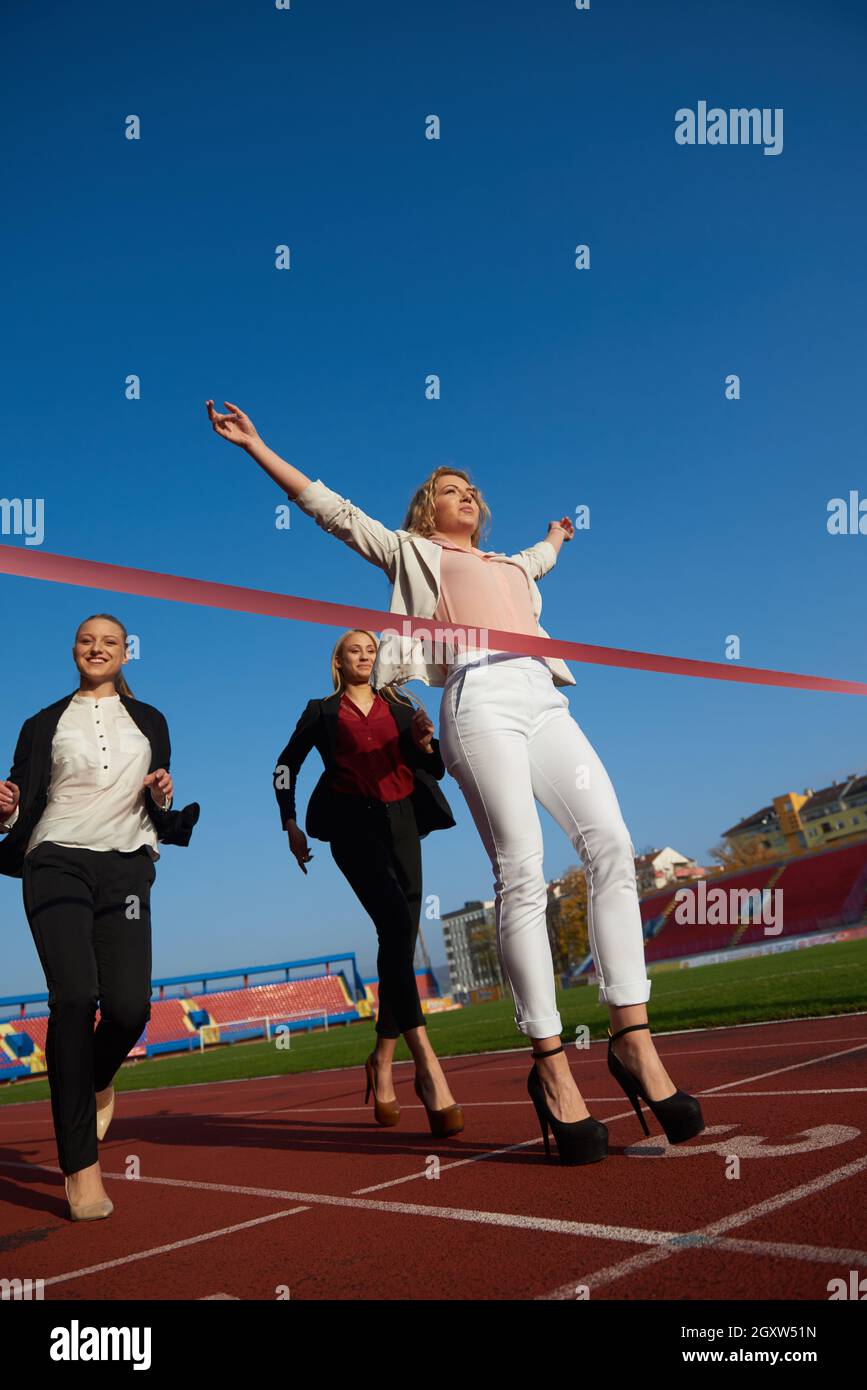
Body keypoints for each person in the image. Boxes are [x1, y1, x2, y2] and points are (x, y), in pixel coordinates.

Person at [207, 398, 705, 1167]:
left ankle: (631, 1041)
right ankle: (550, 1066)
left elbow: (539, 562)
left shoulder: (508, 565)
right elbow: (333, 513)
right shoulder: (412, 552)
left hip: (542, 695)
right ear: (424, 509)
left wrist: (554, 538)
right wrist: (257, 446)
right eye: (448, 488)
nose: (464, 494)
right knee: (523, 868)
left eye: (471, 488)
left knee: (611, 845)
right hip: (477, 699)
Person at [0, 614, 199, 1218]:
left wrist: (163, 796)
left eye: (110, 642)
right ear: (73, 651)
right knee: (74, 997)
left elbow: (157, 796)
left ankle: (98, 1076)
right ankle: (81, 1168)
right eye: (88, 641)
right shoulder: (41, 723)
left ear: (125, 654)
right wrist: (5, 808)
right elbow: (19, 796)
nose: (98, 648)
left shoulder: (151, 721)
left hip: (126, 868)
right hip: (55, 859)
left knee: (129, 1007)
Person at [273, 626, 463, 1137]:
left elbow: (435, 766)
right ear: (339, 662)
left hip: (404, 823)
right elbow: (284, 766)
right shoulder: (321, 711)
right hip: (351, 825)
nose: (363, 655)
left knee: (398, 939)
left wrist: (425, 743)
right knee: (398, 923)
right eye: (353, 650)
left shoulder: (401, 705)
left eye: (370, 650)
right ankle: (427, 1065)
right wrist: (289, 822)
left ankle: (381, 1060)